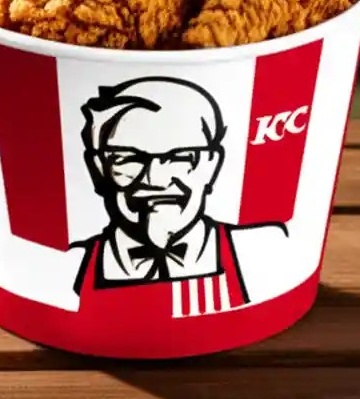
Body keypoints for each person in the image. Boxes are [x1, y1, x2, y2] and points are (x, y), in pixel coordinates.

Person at [73, 77, 287, 315]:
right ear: (98, 168)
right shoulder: (68, 266)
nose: (156, 179)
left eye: (181, 157)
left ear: (211, 165)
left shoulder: (260, 249)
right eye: (128, 158)